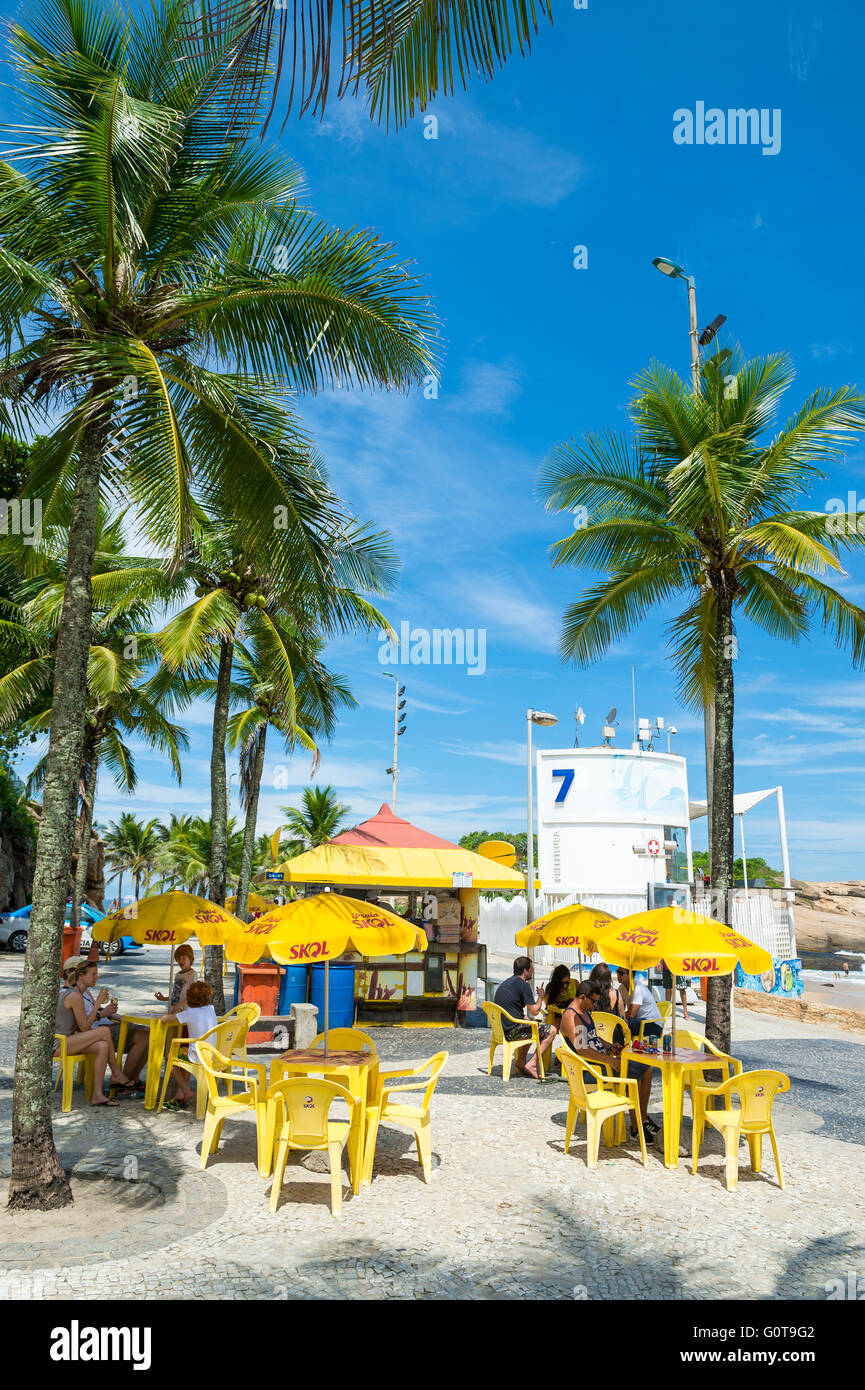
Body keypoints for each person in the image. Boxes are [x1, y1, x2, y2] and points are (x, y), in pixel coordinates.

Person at [55, 961, 141, 1105]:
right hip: (58, 1043)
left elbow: (82, 1025)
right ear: (81, 976)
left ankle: (97, 1095)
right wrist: (97, 1005)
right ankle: (116, 1073)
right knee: (104, 1031)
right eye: (93, 974)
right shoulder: (75, 996)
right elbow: (84, 1027)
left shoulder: (79, 993)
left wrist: (102, 1009)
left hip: (69, 1040)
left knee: (102, 1046)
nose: (96, 977)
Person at [494, 956, 557, 1079]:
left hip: (502, 1029)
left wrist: (529, 1020)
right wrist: (540, 996)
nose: (533, 971)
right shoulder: (523, 985)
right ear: (525, 971)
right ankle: (532, 1063)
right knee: (552, 1030)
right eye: (532, 968)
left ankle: (521, 1061)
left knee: (531, 1024)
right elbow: (534, 1010)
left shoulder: (507, 983)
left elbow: (512, 1010)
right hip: (512, 1031)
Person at [159, 980, 219, 1109]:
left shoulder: (190, 1013)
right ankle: (180, 1094)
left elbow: (165, 1019)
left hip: (197, 1056)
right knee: (185, 1050)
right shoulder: (211, 1008)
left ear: (190, 997)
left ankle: (186, 1090)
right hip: (211, 1054)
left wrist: (183, 1002)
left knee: (170, 1057)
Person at [154, 944, 197, 1010]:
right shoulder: (177, 975)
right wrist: (164, 998)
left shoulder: (192, 974)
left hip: (184, 1011)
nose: (180, 961)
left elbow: (193, 996)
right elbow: (176, 995)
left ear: (190, 959)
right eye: (178, 958)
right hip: (173, 1009)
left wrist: (180, 1005)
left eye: (183, 958)